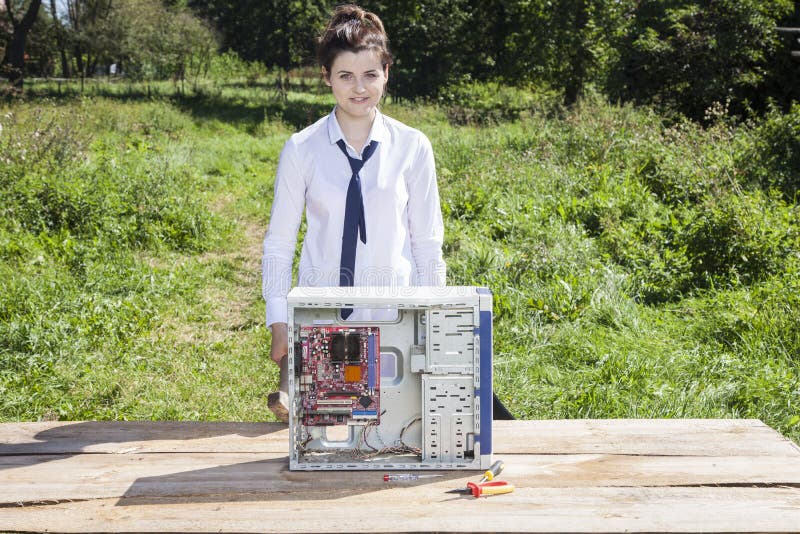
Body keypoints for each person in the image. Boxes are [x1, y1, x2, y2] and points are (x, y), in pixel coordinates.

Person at [261, 4, 446, 422]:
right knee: (326, 437)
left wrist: (432, 318)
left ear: (387, 74)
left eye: (370, 75)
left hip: (394, 320)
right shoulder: (302, 148)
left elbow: (427, 243)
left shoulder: (413, 146)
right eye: (345, 76)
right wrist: (278, 321)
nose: (358, 88)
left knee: (393, 436)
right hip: (322, 320)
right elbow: (278, 243)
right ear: (327, 78)